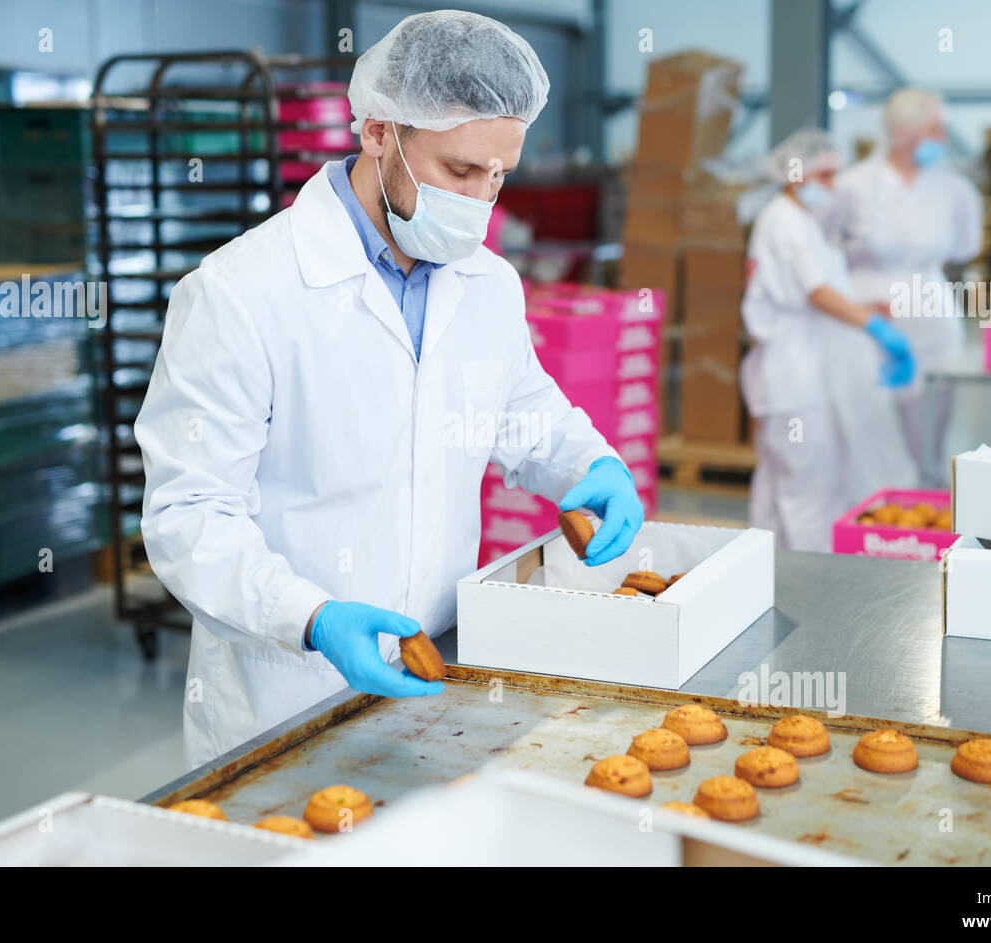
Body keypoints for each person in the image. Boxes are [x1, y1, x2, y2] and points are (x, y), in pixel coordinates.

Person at [135, 11, 643, 768]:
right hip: (289, 686)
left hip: (438, 666)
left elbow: (518, 408)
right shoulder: (242, 293)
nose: (480, 201)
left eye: (499, 176)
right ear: (377, 132)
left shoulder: (488, 283)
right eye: (460, 172)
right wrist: (311, 617)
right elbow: (189, 514)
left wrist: (589, 465)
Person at [741, 128, 918, 552]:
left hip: (803, 374)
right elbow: (816, 293)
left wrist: (868, 307)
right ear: (795, 172)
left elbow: (822, 289)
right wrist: (872, 327)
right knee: (808, 488)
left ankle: (767, 569)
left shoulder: (801, 221)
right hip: (793, 381)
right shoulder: (783, 221)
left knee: (781, 482)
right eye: (824, 175)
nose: (831, 186)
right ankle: (810, 581)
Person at [824, 88, 984, 485]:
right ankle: (874, 511)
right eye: (934, 128)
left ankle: (927, 503)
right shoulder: (852, 186)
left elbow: (966, 247)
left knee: (932, 424)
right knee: (873, 425)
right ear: (903, 131)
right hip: (871, 315)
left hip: (932, 312)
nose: (941, 137)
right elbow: (823, 253)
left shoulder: (954, 189)